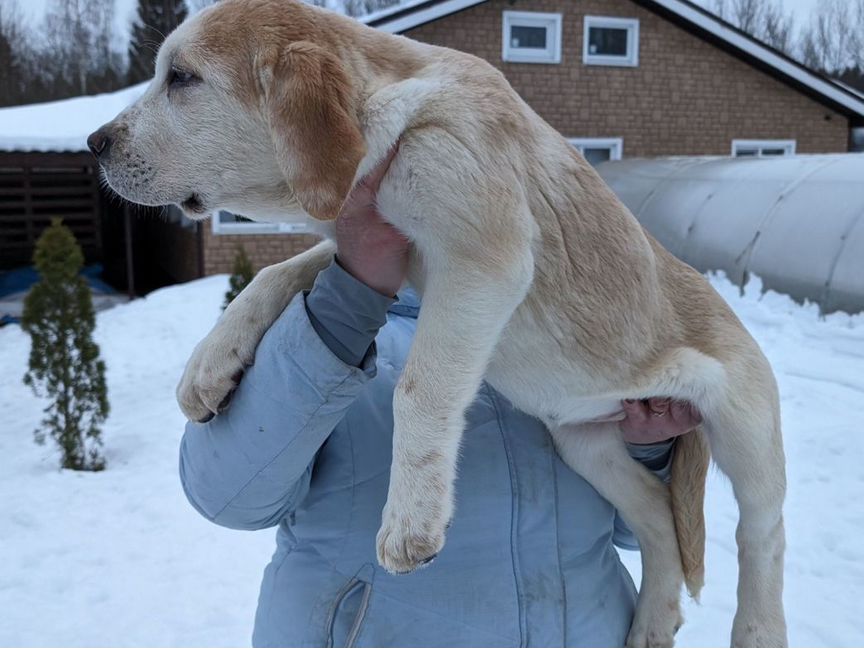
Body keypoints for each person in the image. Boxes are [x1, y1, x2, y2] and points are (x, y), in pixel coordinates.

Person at [179, 154, 703, 648]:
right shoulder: (314, 321)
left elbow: (631, 536)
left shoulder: (571, 333)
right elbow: (227, 497)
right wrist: (348, 301)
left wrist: (643, 445)